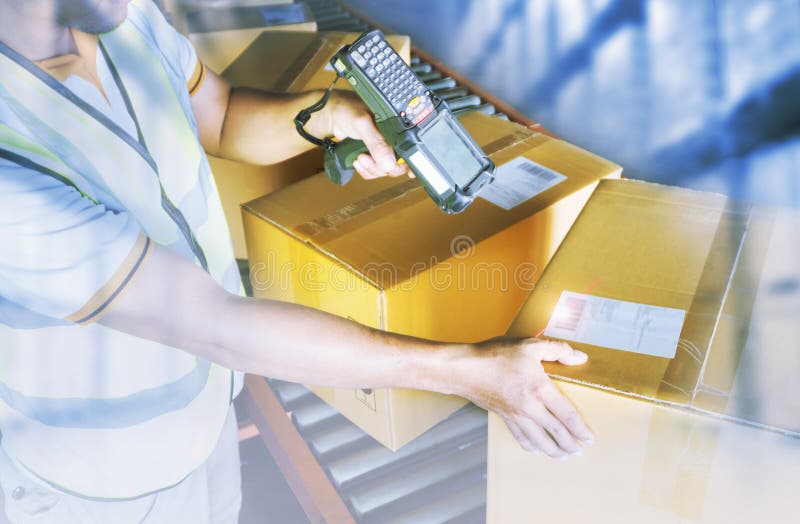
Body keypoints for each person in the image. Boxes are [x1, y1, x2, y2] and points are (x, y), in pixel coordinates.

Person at [0, 0, 595, 521]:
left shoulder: (124, 20)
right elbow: (215, 324)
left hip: (208, 420)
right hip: (101, 482)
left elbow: (224, 115)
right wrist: (467, 371)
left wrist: (331, 114)